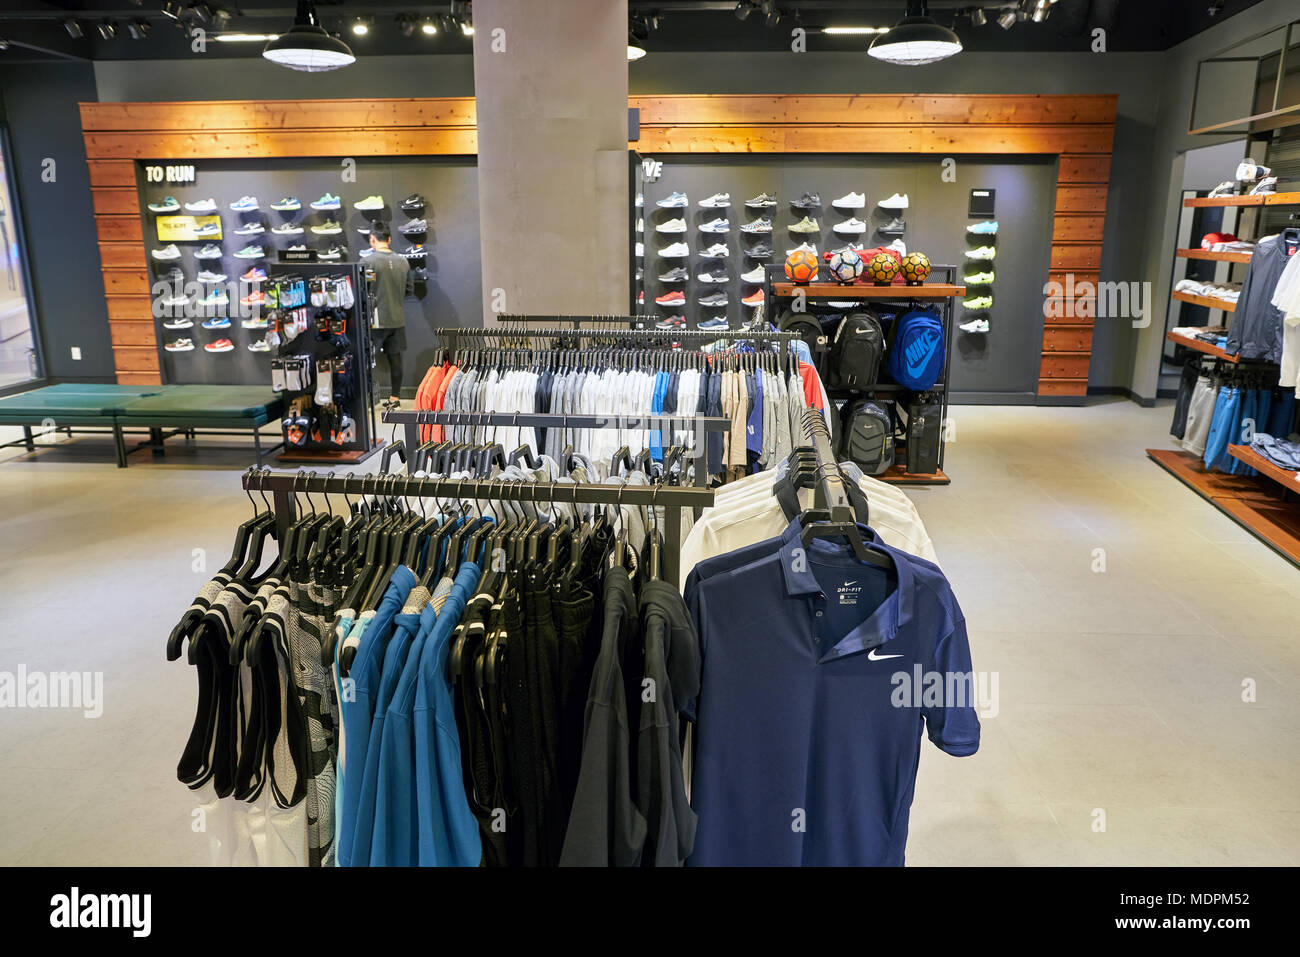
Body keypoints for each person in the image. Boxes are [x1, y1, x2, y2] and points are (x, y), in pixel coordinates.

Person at [366, 222, 410, 405]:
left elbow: (364, 289)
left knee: (367, 360)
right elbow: (409, 289)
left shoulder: (368, 262)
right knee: (396, 359)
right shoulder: (403, 261)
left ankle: (367, 398)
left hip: (375, 320)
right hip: (397, 318)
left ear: (372, 240)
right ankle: (395, 398)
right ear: (390, 239)